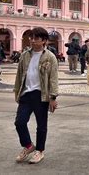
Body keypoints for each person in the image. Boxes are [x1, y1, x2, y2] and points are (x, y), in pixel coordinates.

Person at [13, 27, 58, 164]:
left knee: (41, 125)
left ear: (44, 40)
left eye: (36, 38)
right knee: (19, 122)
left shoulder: (50, 57)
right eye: (31, 38)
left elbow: (53, 78)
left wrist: (53, 97)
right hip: (26, 94)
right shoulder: (25, 55)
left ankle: (39, 151)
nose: (32, 41)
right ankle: (28, 146)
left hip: (41, 95)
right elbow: (20, 75)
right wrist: (17, 92)